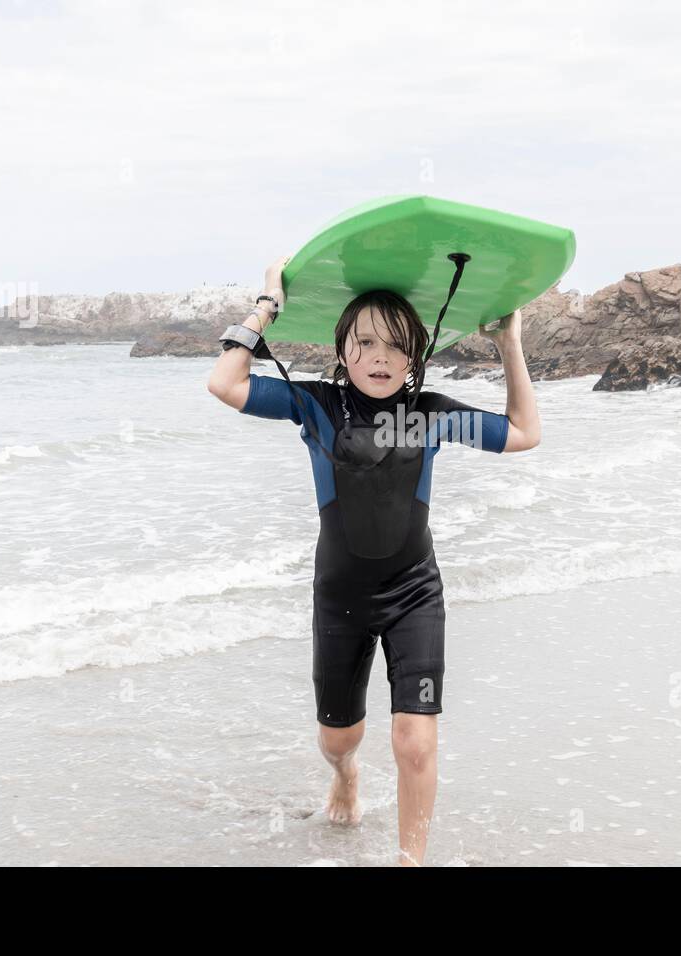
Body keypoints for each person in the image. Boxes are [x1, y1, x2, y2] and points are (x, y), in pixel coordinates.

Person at [206, 254, 541, 865]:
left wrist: (510, 345)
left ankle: (410, 860)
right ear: (343, 352)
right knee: (340, 737)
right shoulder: (316, 407)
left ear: (414, 355)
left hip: (415, 593)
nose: (381, 357)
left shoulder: (433, 415)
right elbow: (225, 384)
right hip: (340, 598)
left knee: (414, 741)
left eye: (395, 344)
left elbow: (524, 433)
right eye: (365, 342)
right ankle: (345, 774)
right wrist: (266, 307)